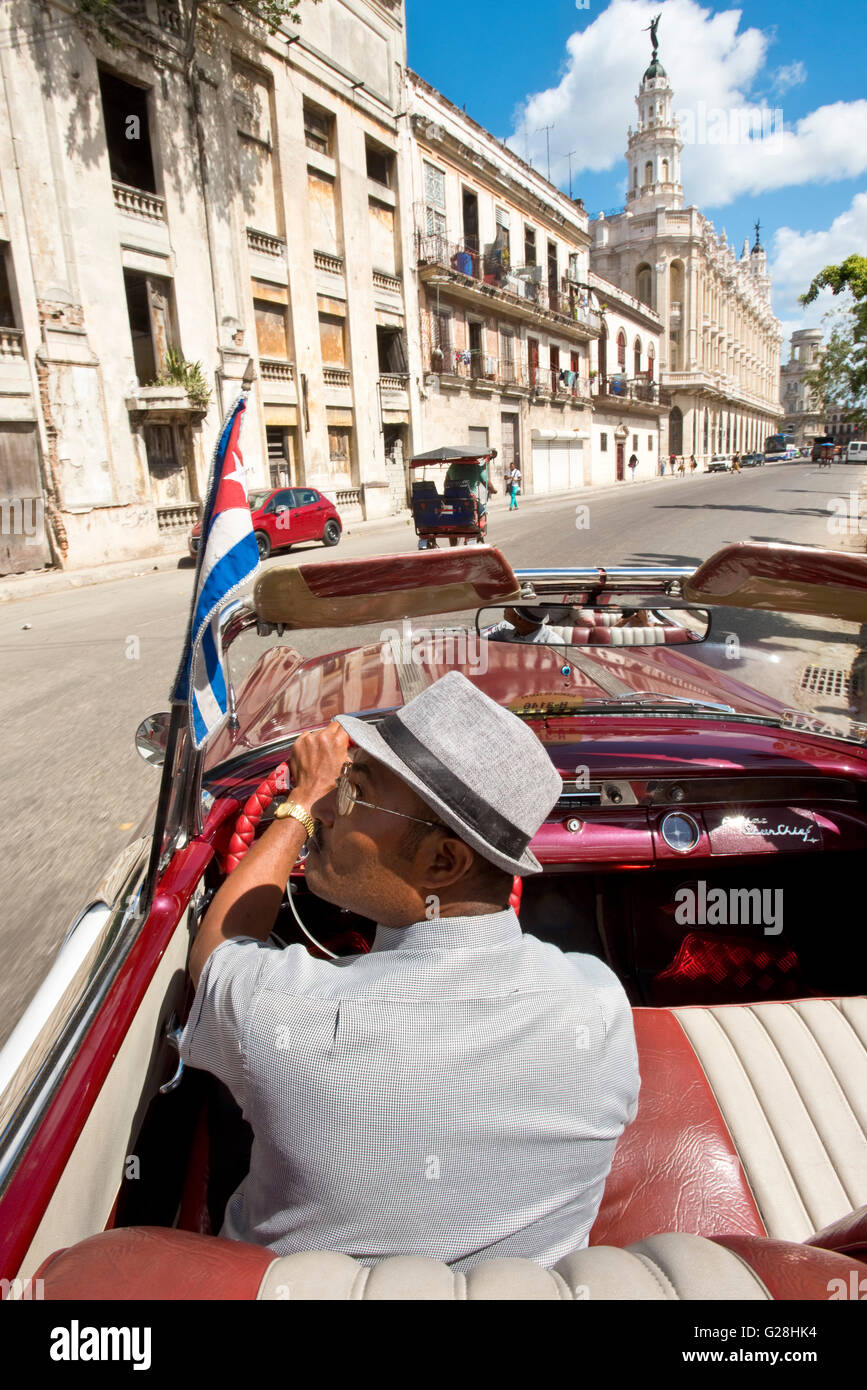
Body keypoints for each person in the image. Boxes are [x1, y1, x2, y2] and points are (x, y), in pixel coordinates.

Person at [181, 671, 639, 1271]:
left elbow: (217, 947)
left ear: (443, 861)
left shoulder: (286, 1013)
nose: (329, 809)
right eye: (337, 785)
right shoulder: (601, 1004)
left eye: (353, 791)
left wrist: (296, 807)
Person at [484, 605, 572, 644]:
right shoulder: (504, 627)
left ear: (519, 618)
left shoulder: (553, 643)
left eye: (511, 606)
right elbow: (480, 637)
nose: (506, 608)